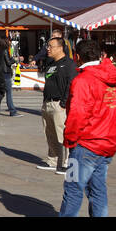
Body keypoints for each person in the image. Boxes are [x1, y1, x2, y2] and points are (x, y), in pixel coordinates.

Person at [59, 39, 116, 217]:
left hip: (85, 144)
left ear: (77, 57)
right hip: (107, 143)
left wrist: (69, 139)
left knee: (72, 189)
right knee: (98, 190)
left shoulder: (82, 80)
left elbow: (77, 114)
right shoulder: (113, 80)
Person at [37, 35, 76, 173]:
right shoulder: (51, 64)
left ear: (60, 48)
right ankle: (52, 160)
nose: (48, 49)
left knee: (62, 134)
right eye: (48, 46)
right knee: (50, 133)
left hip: (59, 104)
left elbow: (71, 84)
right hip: (47, 103)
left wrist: (63, 104)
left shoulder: (69, 64)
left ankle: (65, 163)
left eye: (51, 46)